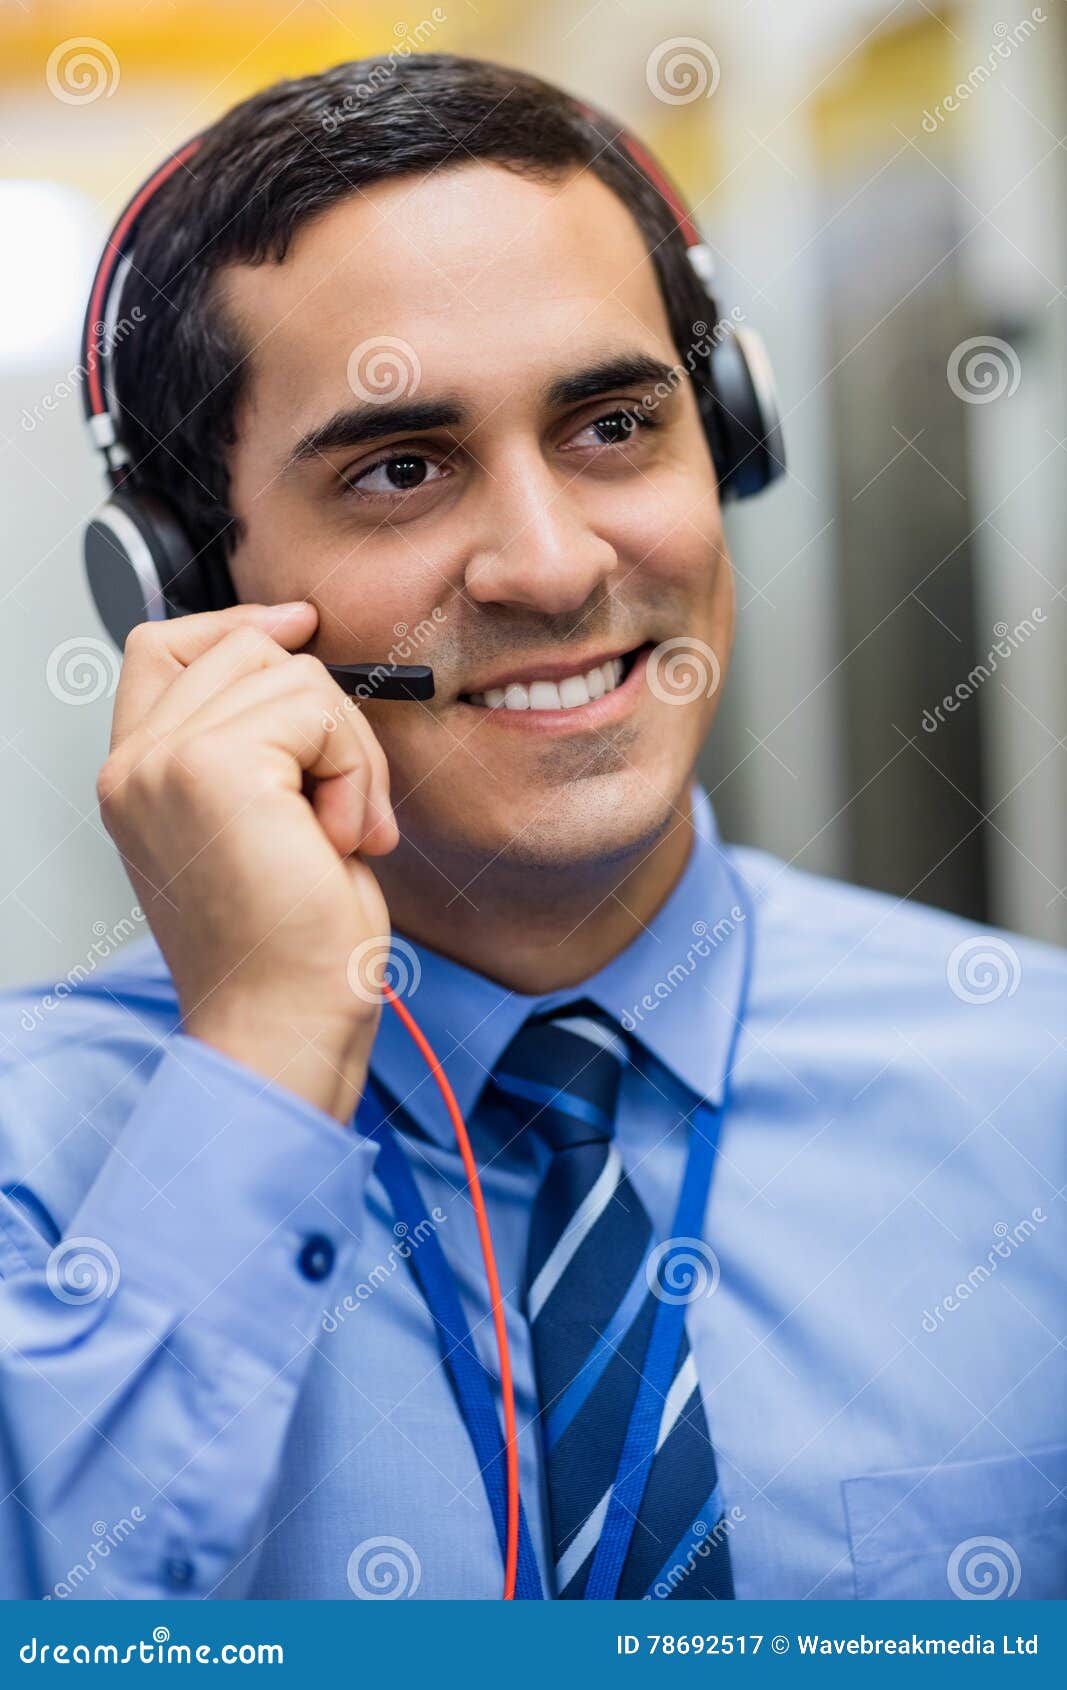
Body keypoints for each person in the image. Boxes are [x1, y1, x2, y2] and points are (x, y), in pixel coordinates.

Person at [0, 54, 1063, 1604]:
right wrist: (269, 1045)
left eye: (614, 425)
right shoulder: (35, 1159)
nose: (554, 568)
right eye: (402, 469)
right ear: (186, 588)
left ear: (729, 440)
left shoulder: (1035, 1089)